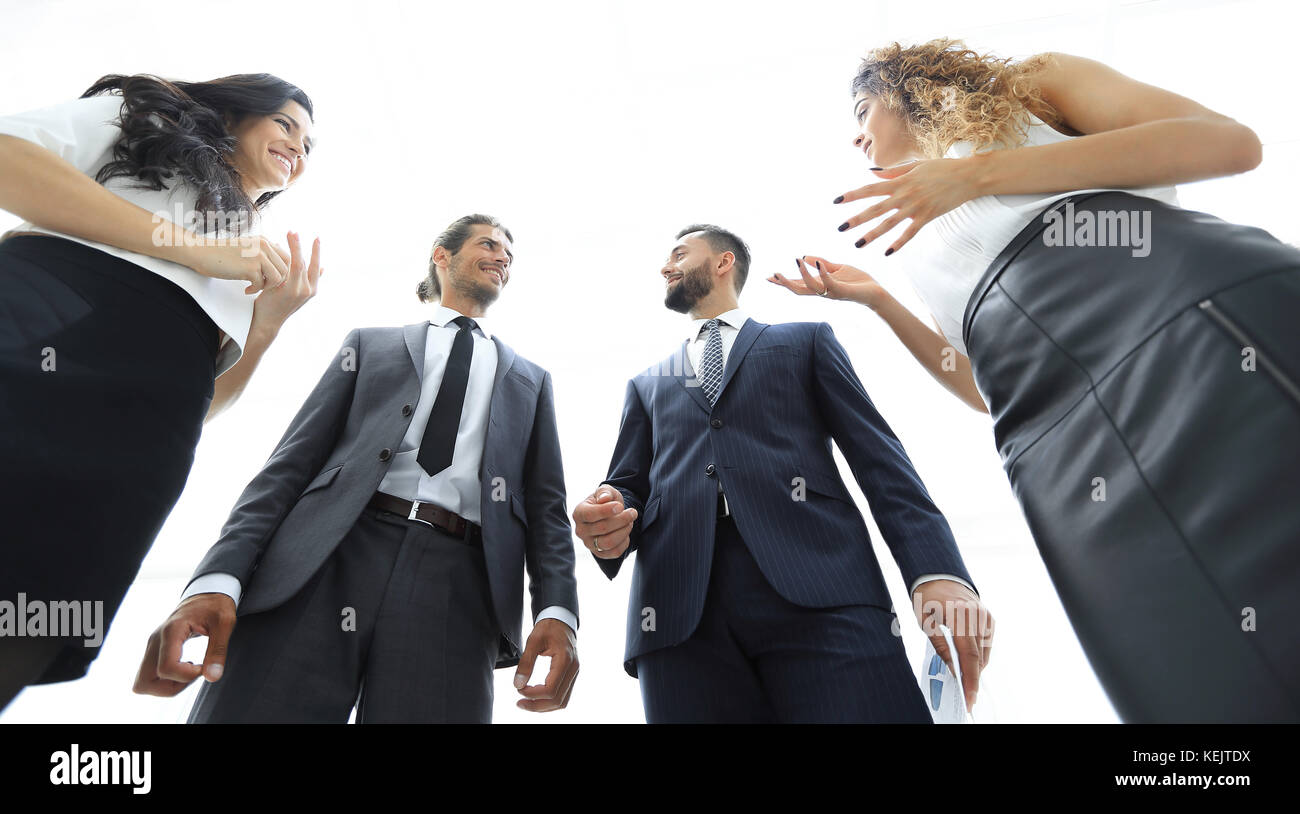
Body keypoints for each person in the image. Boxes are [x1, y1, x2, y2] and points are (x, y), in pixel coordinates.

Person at [770, 39, 1300, 722]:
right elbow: (983, 391)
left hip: (1177, 310)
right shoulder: (915, 239)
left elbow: (1229, 144)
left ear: (909, 86)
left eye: (863, 107)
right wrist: (879, 299)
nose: (856, 134)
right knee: (1182, 669)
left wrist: (979, 175)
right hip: (1055, 437)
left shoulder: (1032, 86)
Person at [134, 214, 580, 724]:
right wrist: (218, 579)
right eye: (489, 243)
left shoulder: (532, 380)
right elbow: (288, 468)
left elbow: (546, 509)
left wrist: (557, 612)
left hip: (460, 586)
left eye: (510, 254)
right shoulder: (369, 345)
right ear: (442, 255)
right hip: (324, 560)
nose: (503, 257)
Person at [573, 223, 992, 723]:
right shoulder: (646, 383)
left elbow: (881, 461)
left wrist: (936, 570)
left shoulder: (806, 342)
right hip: (679, 617)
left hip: (826, 593)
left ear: (723, 262)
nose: (666, 266)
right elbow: (626, 486)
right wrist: (606, 516)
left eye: (680, 254)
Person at [0, 73, 321, 712]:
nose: (300, 148)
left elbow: (202, 404)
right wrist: (198, 251)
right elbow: (9, 161)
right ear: (234, 114)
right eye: (287, 124)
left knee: (41, 611)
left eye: (311, 145)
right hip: (39, 337)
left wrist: (266, 328)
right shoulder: (145, 116)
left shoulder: (247, 252)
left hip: (139, 447)